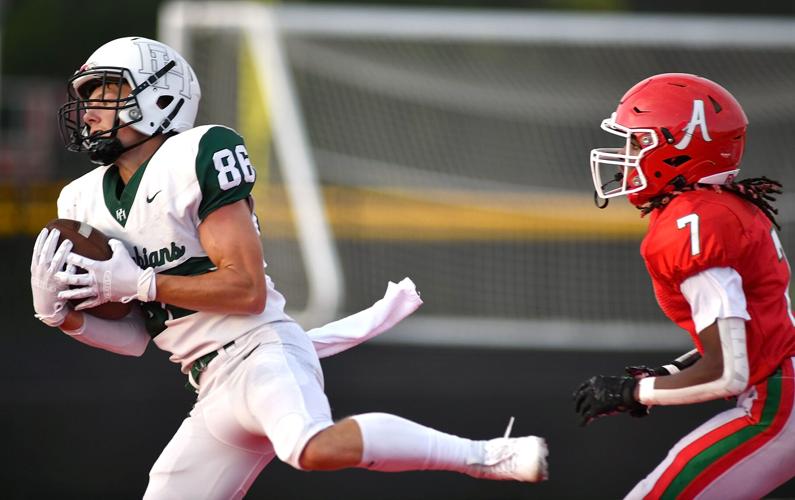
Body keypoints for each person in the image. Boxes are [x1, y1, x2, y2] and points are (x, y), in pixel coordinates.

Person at [29, 36, 548, 498]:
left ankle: (487, 456)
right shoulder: (81, 200)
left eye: (106, 93)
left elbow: (247, 290)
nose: (90, 110)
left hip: (260, 351)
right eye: (86, 97)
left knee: (309, 446)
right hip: (207, 382)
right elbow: (135, 340)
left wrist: (138, 281)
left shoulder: (198, 152)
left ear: (160, 97)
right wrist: (65, 319)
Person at [573, 72, 795, 499]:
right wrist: (671, 372)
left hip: (777, 408)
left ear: (678, 148)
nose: (625, 154)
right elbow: (746, 331)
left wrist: (634, 392)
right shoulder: (719, 207)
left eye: (638, 142)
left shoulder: (694, 223)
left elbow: (729, 372)